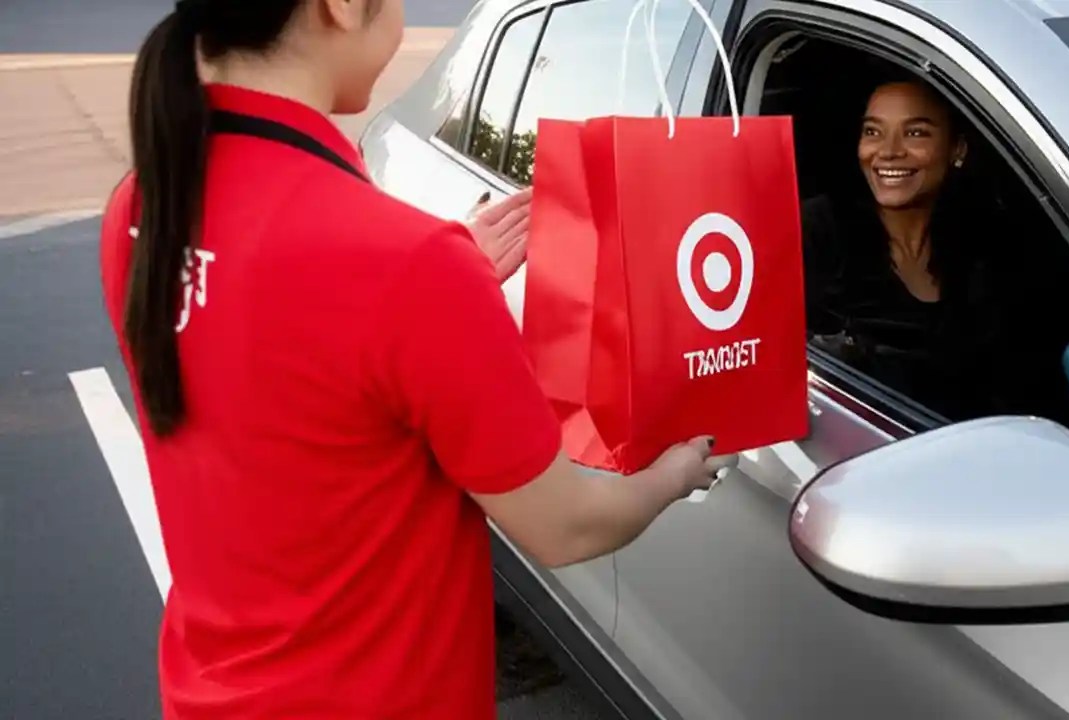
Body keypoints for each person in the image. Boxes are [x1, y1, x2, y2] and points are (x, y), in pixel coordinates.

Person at [100, 1, 730, 717]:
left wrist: (438, 296)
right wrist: (675, 473)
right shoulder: (407, 267)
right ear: (340, 6)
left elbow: (282, 377)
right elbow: (567, 525)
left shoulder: (141, 206)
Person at [801, 74, 1054, 421]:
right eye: (873, 131)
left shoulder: (989, 244)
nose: (888, 151)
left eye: (915, 133)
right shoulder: (815, 231)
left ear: (957, 149)